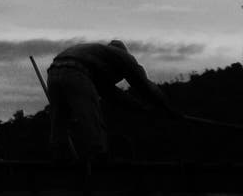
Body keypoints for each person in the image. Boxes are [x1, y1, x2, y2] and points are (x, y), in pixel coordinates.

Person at [47, 40, 182, 162]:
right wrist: (165, 107)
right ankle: (98, 157)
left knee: (59, 120)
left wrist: (139, 107)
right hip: (75, 72)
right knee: (90, 117)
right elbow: (144, 85)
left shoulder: (96, 60)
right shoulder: (123, 57)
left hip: (54, 71)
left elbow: (113, 95)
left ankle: (58, 156)